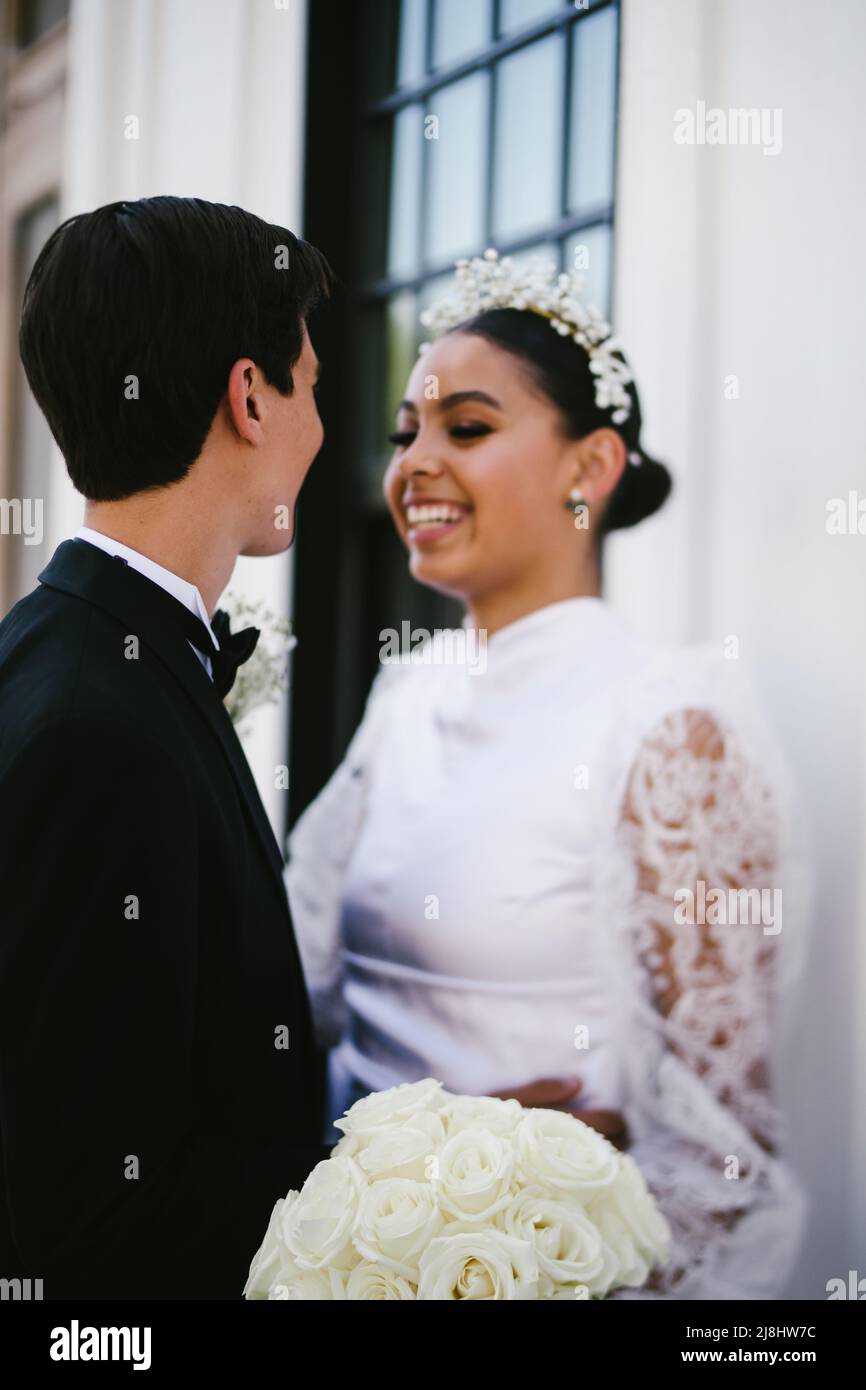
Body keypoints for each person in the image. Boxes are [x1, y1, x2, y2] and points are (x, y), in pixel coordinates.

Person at [285, 249, 809, 1299]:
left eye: (465, 428)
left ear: (590, 467)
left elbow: (724, 1157)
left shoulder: (672, 726)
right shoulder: (407, 695)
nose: (411, 465)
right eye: (404, 433)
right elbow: (294, 989)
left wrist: (526, 1217)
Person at [0, 196, 332, 1298]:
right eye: (314, 389)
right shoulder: (101, 730)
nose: (320, 430)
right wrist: (388, 1187)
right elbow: (92, 1219)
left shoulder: (61, 647)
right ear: (250, 395)